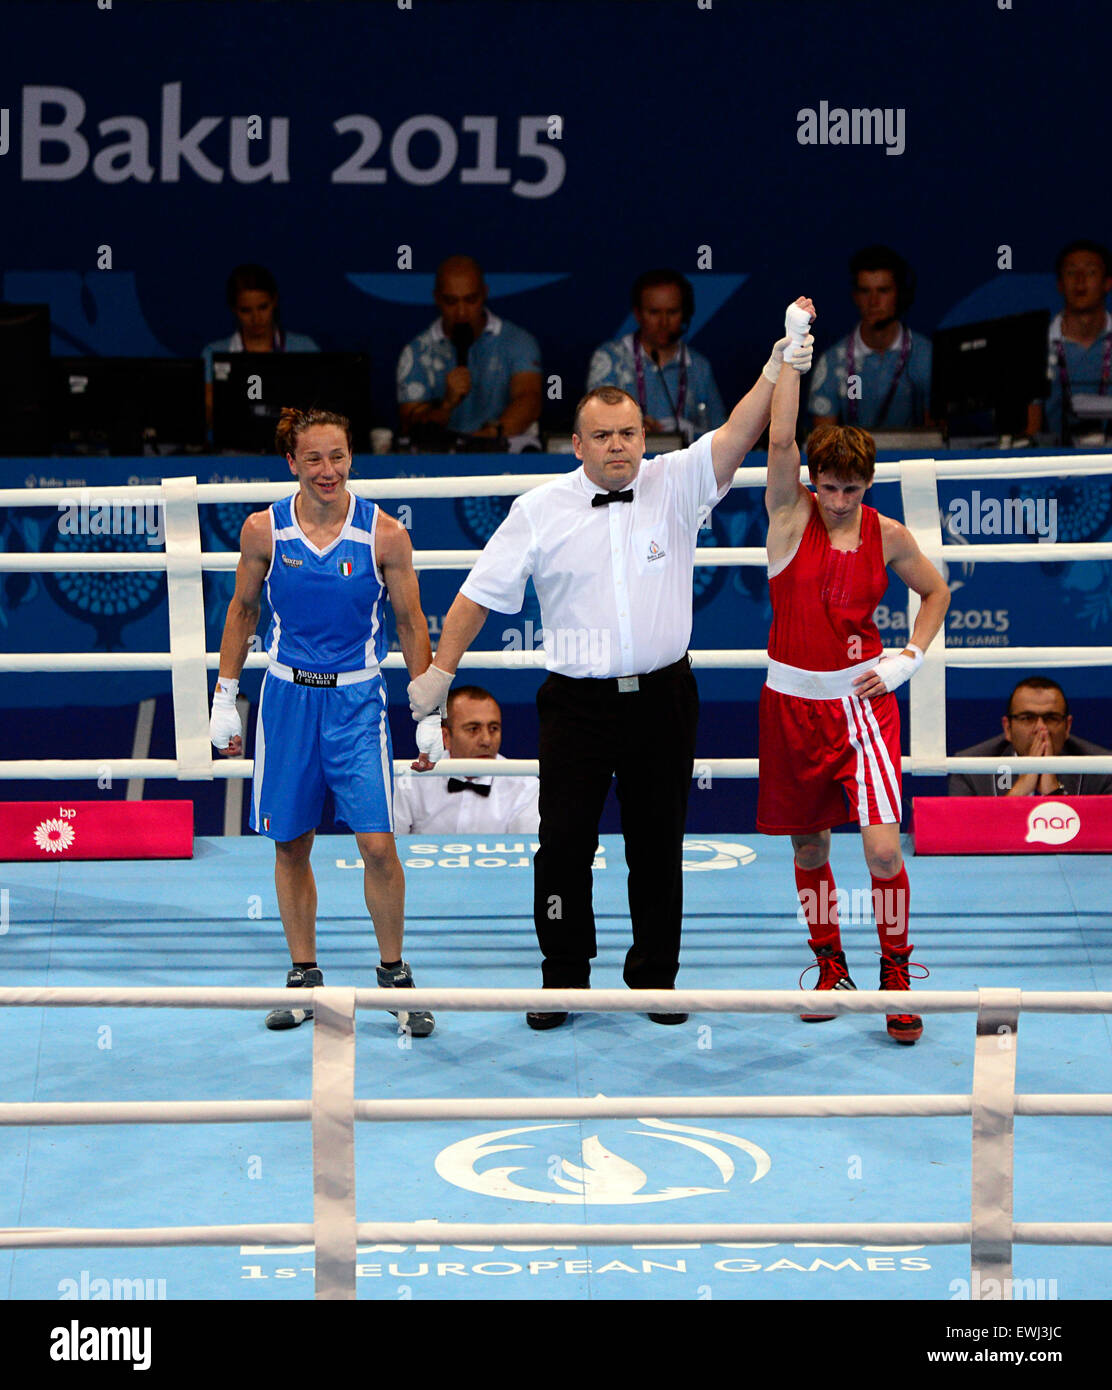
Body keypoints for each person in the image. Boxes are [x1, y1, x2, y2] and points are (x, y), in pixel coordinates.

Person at [407, 301, 817, 1031]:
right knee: (562, 845)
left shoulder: (678, 480)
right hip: (576, 706)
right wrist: (439, 675)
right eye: (603, 436)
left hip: (664, 698)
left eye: (629, 432)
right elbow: (476, 595)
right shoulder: (538, 509)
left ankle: (654, 978)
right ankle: (562, 975)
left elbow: (742, 428)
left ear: (643, 435)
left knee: (657, 847)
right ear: (577, 444)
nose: (619, 446)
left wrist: (779, 356)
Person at [209, 406, 435, 1036]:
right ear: (293, 463)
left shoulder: (384, 534)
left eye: (337, 456)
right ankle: (304, 973)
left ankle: (394, 974)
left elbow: (412, 624)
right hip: (286, 700)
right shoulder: (263, 530)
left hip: (357, 703)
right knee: (291, 843)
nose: (327, 470)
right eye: (314, 458)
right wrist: (224, 698)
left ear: (351, 458)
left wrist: (428, 713)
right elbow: (242, 613)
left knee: (378, 845)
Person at [759, 334, 950, 1045]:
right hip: (790, 705)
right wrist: (793, 359)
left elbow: (935, 593)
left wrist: (908, 656)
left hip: (862, 707)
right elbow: (780, 442)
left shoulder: (888, 533)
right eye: (829, 485)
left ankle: (895, 975)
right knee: (809, 848)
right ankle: (830, 965)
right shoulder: (790, 516)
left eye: (852, 488)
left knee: (881, 852)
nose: (839, 500)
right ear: (814, 480)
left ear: (869, 483)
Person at [396, 255, 542, 449]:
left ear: (484, 294)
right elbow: (409, 423)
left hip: (499, 447)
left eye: (470, 300)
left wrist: (486, 437)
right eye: (451, 301)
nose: (462, 312)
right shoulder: (416, 351)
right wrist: (446, 405)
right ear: (437, 298)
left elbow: (529, 400)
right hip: (439, 454)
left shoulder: (516, 341)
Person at [587, 269, 726, 439]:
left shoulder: (699, 366)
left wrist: (688, 432)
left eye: (672, 312)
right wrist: (632, 427)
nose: (663, 322)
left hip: (683, 462)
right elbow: (593, 426)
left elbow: (720, 433)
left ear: (685, 314)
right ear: (637, 314)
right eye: (654, 312)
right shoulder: (609, 358)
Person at [808, 246, 931, 431]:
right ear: (855, 297)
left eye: (883, 291)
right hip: (852, 459)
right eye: (865, 291)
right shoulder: (832, 362)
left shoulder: (928, 356)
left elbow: (938, 438)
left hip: (913, 460)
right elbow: (824, 441)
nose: (873, 302)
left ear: (900, 294)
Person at [394, 685, 540, 833]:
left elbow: (527, 852)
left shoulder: (526, 786)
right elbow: (392, 845)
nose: (486, 740)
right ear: (445, 737)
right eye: (473, 729)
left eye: (493, 728)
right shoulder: (411, 780)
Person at [949, 676, 1112, 797]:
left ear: (1067, 727)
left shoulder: (1103, 768)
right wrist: (1021, 789)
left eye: (1051, 718)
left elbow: (1098, 836)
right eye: (1027, 718)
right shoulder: (969, 768)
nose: (1041, 728)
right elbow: (965, 835)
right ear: (1008, 728)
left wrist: (1054, 792)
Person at [201, 264, 319, 424]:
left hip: (292, 446)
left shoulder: (305, 348)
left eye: (263, 307)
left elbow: (319, 413)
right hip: (232, 448)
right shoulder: (213, 354)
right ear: (234, 309)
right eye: (246, 310)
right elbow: (205, 416)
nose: (256, 319)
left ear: (275, 301)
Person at [1036, 240, 1112, 445]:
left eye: (1091, 272)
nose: (1080, 281)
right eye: (1071, 273)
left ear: (1107, 283)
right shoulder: (1037, 347)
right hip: (1054, 464)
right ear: (1060, 285)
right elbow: (1029, 430)